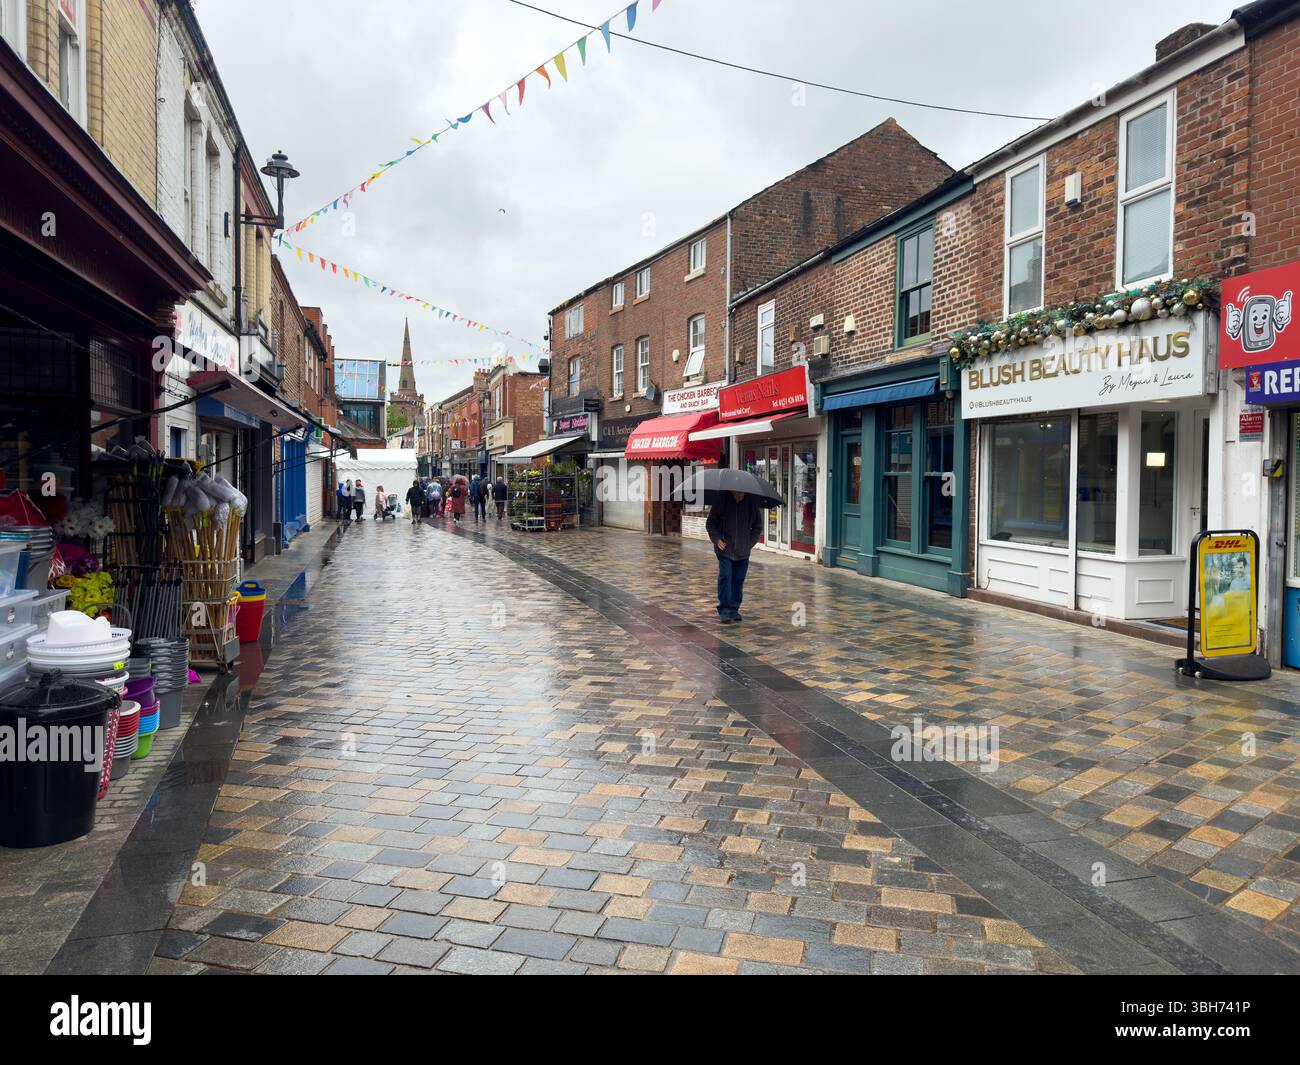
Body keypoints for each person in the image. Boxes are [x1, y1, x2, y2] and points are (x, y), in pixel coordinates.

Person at [705, 489, 762, 624]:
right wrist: (717, 539)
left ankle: (734, 609)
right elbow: (710, 524)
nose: (739, 495)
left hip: (743, 550)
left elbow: (757, 526)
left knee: (738, 580)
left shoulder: (751, 502)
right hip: (724, 549)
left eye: (742, 492)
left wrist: (749, 542)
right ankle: (724, 611)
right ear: (731, 490)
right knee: (725, 577)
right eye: (736, 492)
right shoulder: (721, 500)